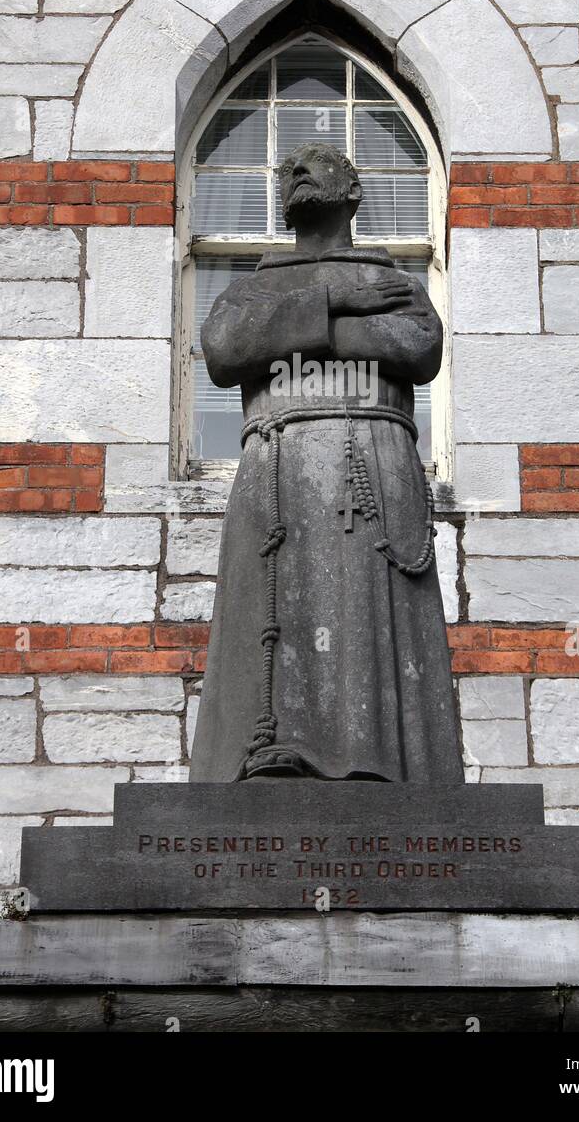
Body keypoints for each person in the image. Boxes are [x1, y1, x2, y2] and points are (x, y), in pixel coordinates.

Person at [189, 142, 464, 783]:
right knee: (277, 607)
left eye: (318, 162)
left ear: (354, 191)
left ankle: (383, 760)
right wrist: (337, 302)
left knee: (367, 600)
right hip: (279, 460)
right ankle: (272, 751)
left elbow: (417, 347)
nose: (297, 170)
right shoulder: (249, 288)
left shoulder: (393, 282)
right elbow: (227, 351)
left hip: (374, 456)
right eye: (287, 166)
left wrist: (295, 326)